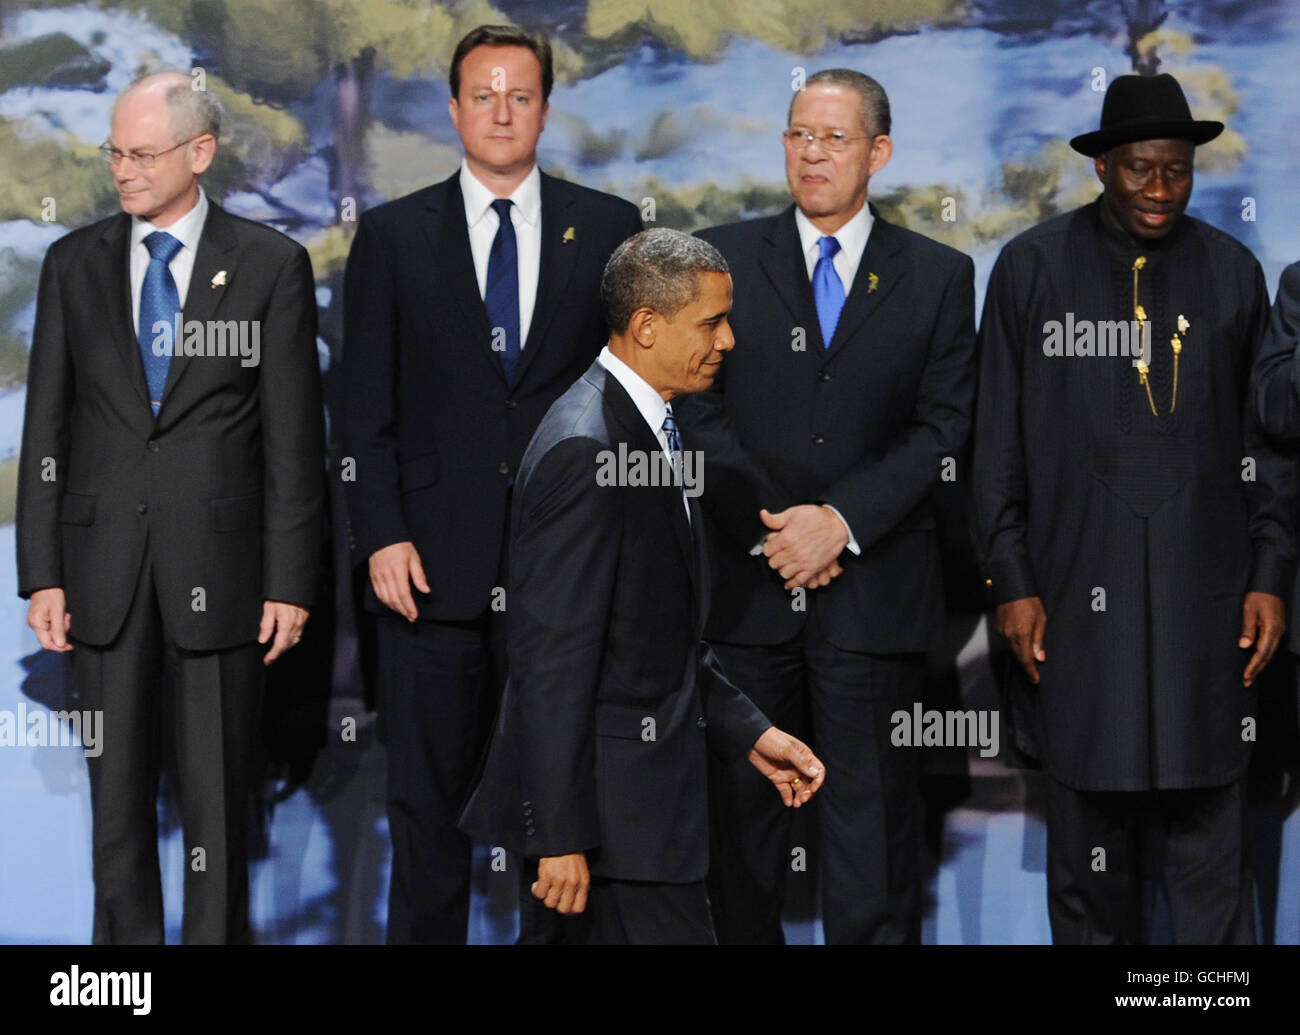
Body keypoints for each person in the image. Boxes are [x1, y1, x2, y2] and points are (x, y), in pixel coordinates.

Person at [974, 72, 1293, 944]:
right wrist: (1012, 580)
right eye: (1141, 170)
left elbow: (1266, 449)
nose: (1160, 190)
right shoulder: (1031, 269)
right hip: (1079, 609)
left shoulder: (1232, 272)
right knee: (1088, 870)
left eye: (1178, 171)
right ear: (1104, 167)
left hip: (1208, 606)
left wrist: (1270, 574)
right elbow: (993, 443)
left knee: (1210, 864)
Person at [341, 24, 642, 944]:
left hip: (567, 577)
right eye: (484, 94)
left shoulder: (614, 227)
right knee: (426, 816)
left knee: (556, 818)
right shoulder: (393, 236)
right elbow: (362, 412)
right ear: (453, 109)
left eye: (521, 94)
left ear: (546, 108)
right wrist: (384, 533)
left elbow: (635, 401)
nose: (502, 111)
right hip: (428, 573)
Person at [16, 71, 325, 944]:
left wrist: (289, 580)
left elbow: (294, 445)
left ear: (200, 152)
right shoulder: (72, 263)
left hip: (222, 577)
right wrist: (42, 572)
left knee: (217, 815)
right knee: (116, 818)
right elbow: (49, 425)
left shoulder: (270, 267)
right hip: (100, 575)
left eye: (142, 153)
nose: (123, 170)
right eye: (115, 151)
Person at [673, 68, 976, 944]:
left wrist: (836, 524)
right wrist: (782, 530)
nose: (813, 152)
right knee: (739, 838)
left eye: (836, 138)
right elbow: (690, 405)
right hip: (746, 590)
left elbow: (944, 426)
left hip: (871, 600)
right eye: (800, 133)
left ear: (878, 152)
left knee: (871, 841)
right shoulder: (716, 260)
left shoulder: (940, 275)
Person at [460, 228, 825, 944]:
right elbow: (552, 661)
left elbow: (655, 637)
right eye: (712, 323)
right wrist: (560, 834)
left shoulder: (652, 428)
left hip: (646, 818)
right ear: (648, 325)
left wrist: (750, 731)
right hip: (608, 832)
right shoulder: (586, 446)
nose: (728, 341)